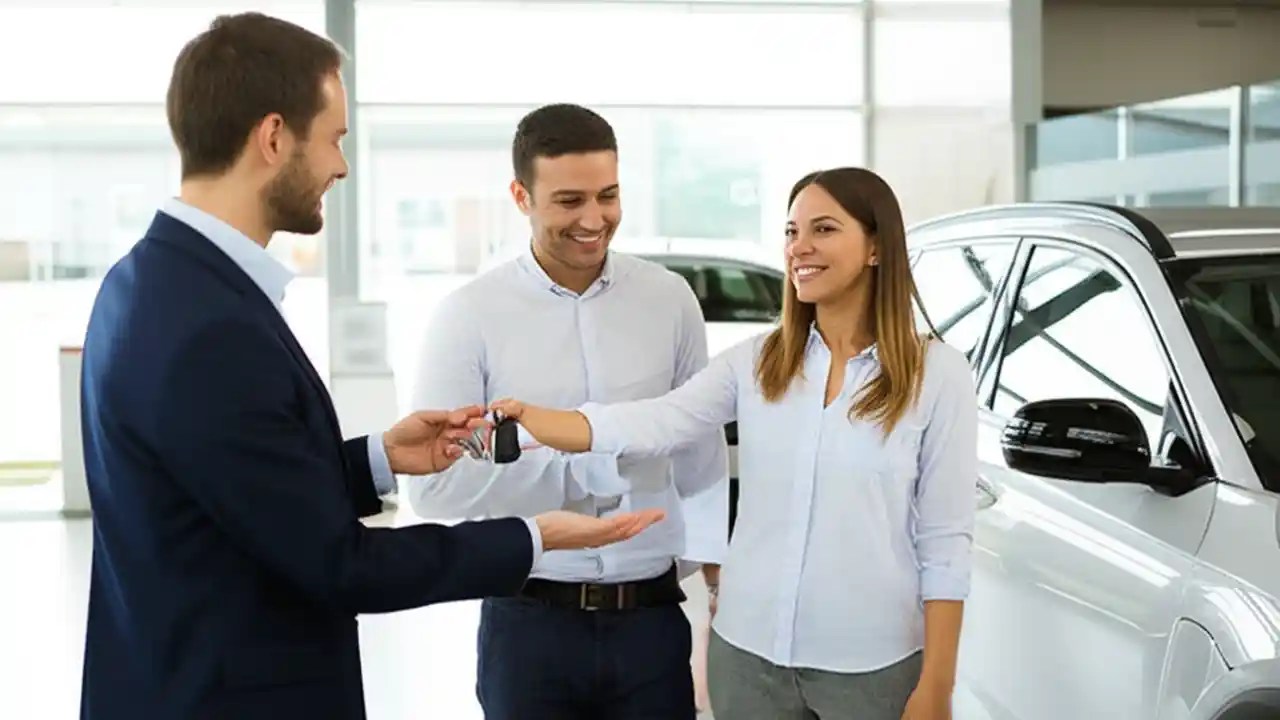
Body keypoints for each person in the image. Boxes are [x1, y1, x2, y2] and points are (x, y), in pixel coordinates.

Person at [77, 15, 662, 720]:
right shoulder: (209, 325)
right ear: (272, 138)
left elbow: (243, 493)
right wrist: (534, 536)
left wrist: (378, 460)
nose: (341, 166)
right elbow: (337, 565)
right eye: (334, 138)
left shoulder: (150, 281)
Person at [490, 167, 979, 720]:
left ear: (875, 247)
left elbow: (944, 543)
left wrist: (937, 683)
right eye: (792, 232)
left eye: (823, 230)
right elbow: (656, 422)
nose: (800, 248)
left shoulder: (936, 375)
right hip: (748, 663)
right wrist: (533, 419)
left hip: (871, 668)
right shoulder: (758, 362)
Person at [404, 102, 730, 720]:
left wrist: (716, 584)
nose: (594, 219)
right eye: (569, 201)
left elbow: (699, 451)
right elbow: (436, 488)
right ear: (521, 195)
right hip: (529, 626)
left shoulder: (669, 300)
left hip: (652, 623)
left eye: (607, 196)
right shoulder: (468, 315)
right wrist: (579, 471)